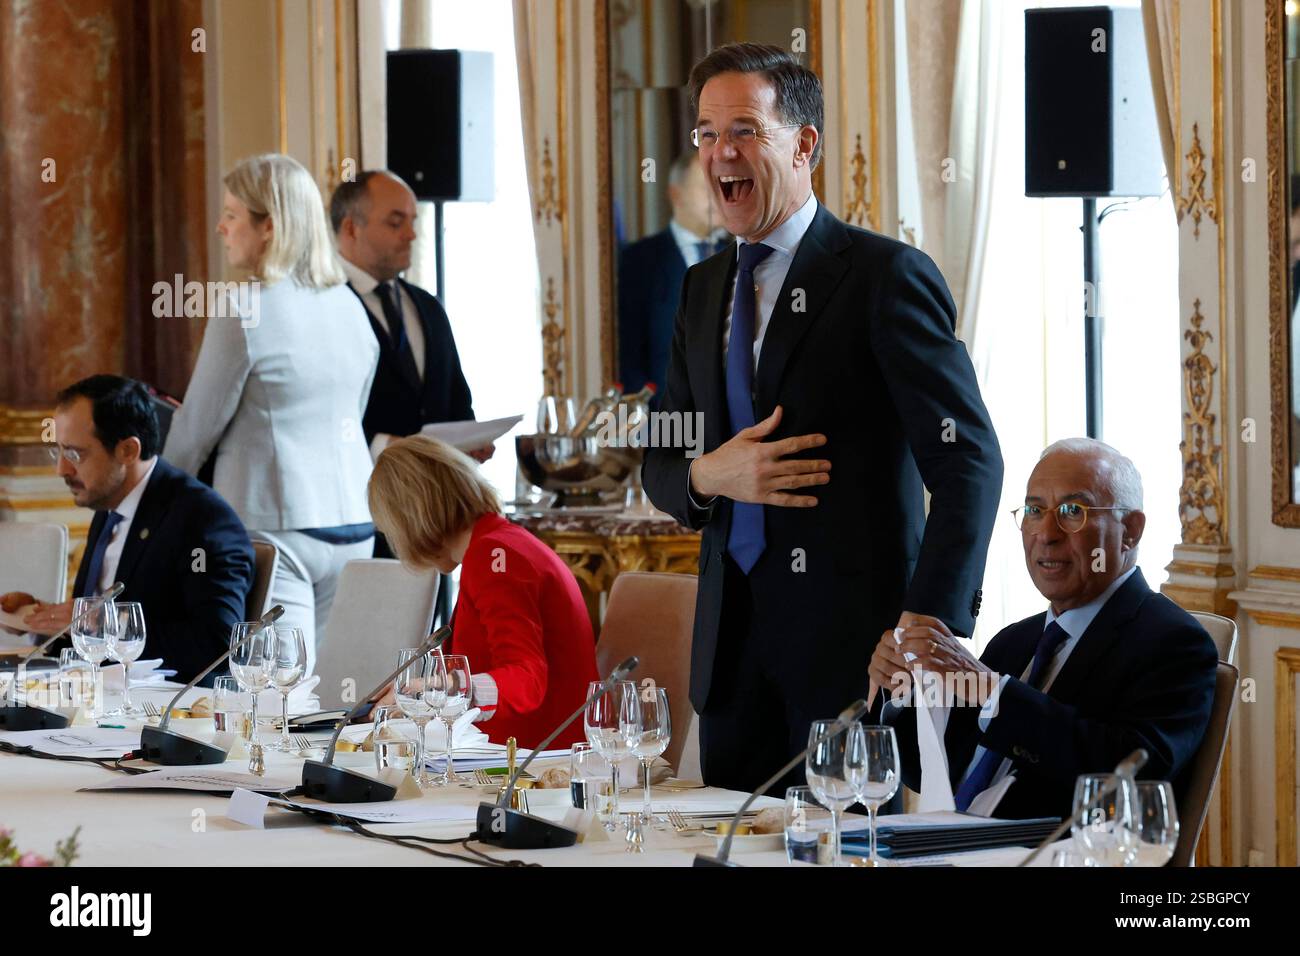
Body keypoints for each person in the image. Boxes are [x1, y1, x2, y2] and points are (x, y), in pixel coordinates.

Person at [641, 43, 1004, 794]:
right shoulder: (703, 288)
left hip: (853, 664)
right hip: (730, 664)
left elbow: (968, 459)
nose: (719, 153)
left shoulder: (884, 277)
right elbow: (662, 451)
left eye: (743, 129)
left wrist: (923, 629)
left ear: (804, 143)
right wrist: (712, 473)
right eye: (705, 134)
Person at [869, 439, 1218, 820]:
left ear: (1130, 530)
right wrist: (900, 690)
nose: (1046, 533)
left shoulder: (1173, 643)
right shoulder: (1014, 641)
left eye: (1072, 511)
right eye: (1035, 510)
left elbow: (1131, 774)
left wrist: (992, 691)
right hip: (950, 848)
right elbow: (933, 773)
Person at [163, 153, 379, 676]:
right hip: (355, 522)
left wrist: (154, 503)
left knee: (276, 697)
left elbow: (194, 435)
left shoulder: (244, 306)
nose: (221, 227)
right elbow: (351, 411)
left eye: (233, 214)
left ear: (270, 226)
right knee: (333, 697)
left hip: (277, 529)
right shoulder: (350, 305)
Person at [6, 376, 253, 684]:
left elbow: (218, 644)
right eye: (59, 452)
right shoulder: (109, 503)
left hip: (162, 711)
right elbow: (91, 631)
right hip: (94, 696)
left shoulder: (202, 521)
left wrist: (104, 625)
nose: (62, 470)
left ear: (127, 450)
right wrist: (39, 618)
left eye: (75, 454)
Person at [367, 436, 598, 750]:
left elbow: (526, 681)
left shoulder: (492, 555)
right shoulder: (497, 544)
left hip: (531, 761)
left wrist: (437, 688)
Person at [329, 170, 492, 467]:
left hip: (437, 500)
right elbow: (313, 415)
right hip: (359, 496)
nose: (411, 234)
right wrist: (382, 445)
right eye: (395, 222)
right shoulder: (321, 307)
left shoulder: (427, 306)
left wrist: (471, 440)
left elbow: (456, 401)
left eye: (413, 221)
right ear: (351, 229)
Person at [618, 152, 728, 394]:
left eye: (722, 185)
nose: (720, 196)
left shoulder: (740, 256)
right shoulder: (639, 261)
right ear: (676, 195)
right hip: (664, 422)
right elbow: (627, 355)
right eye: (707, 187)